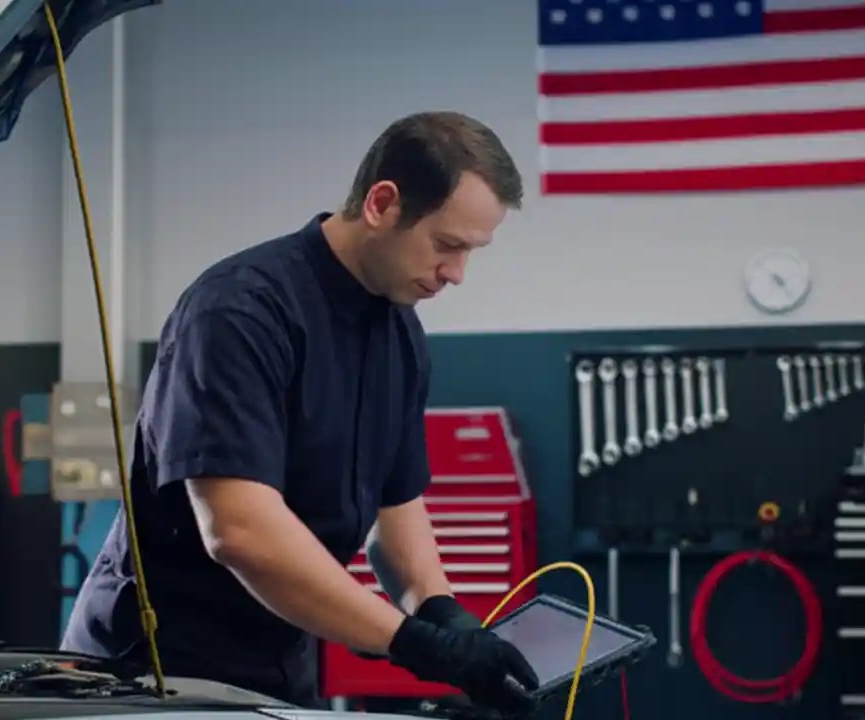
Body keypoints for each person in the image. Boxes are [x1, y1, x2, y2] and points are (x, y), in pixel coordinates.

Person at [60, 111, 539, 714]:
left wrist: (446, 617)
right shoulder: (238, 312)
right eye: (447, 245)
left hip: (276, 669)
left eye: (472, 252)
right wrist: (416, 646)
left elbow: (397, 516)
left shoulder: (400, 336)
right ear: (381, 203)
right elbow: (240, 532)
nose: (457, 274)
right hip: (155, 677)